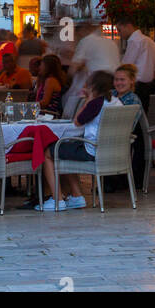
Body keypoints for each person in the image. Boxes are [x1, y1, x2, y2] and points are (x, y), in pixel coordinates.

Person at [36, 70, 117, 211]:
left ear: (94, 86)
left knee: (48, 152)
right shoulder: (116, 102)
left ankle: (57, 199)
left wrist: (88, 100)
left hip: (92, 150)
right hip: (112, 152)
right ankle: (77, 196)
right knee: (66, 149)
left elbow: (77, 122)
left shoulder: (96, 103)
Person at [63, 21, 120, 116]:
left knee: (70, 101)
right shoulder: (111, 42)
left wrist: (67, 79)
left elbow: (74, 68)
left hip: (98, 83)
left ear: (81, 31)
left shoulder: (86, 41)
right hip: (114, 83)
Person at [116, 18, 155, 111]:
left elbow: (126, 66)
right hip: (150, 87)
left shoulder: (134, 40)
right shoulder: (152, 42)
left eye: (120, 30)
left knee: (131, 118)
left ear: (128, 26)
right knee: (143, 116)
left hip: (135, 86)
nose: (119, 34)